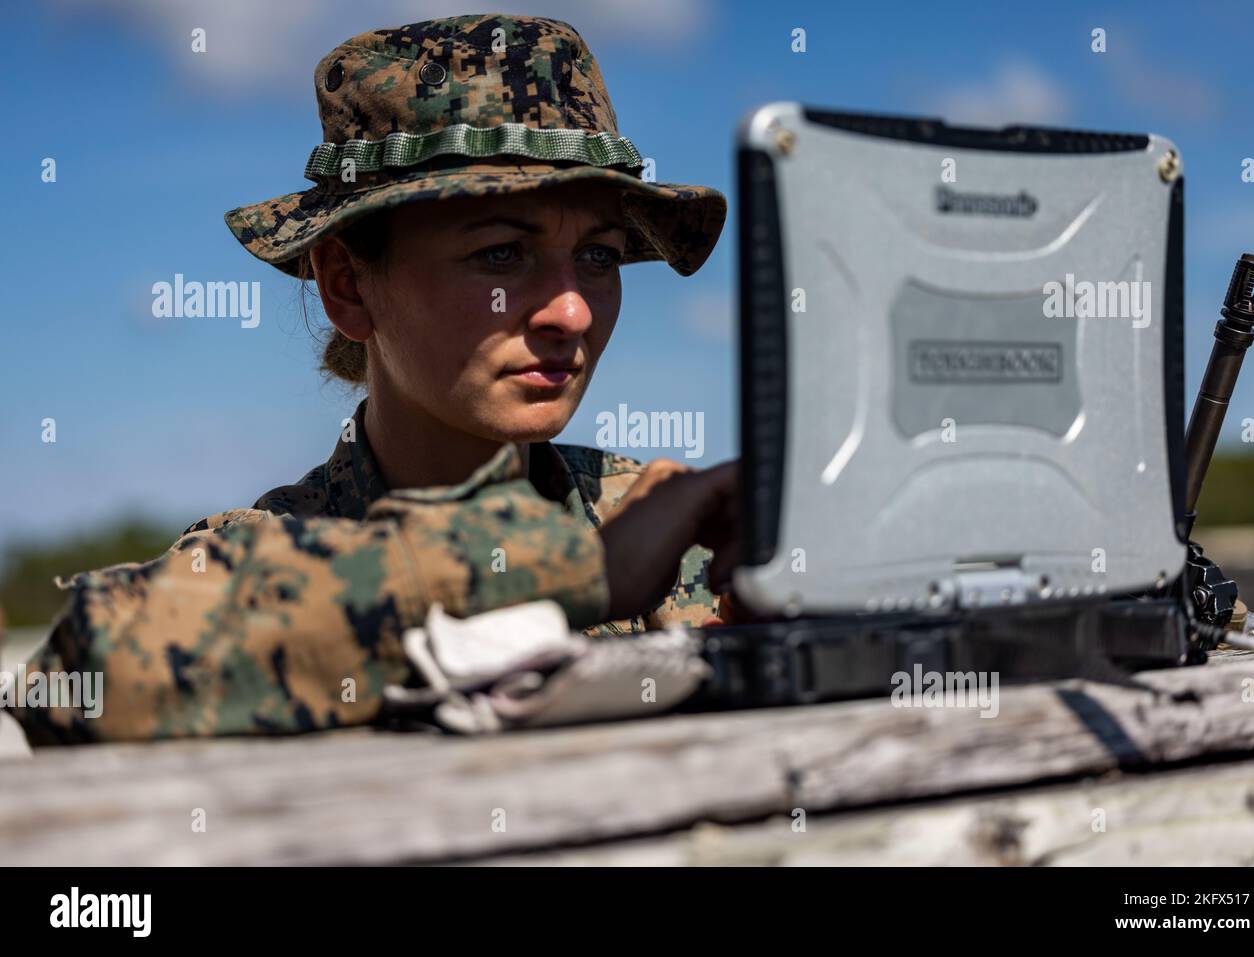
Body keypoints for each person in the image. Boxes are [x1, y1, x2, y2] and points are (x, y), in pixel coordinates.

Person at [14, 14, 738, 745]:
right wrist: (566, 570)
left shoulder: (665, 526)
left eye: (600, 257)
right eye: (499, 255)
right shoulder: (258, 557)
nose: (572, 309)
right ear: (349, 288)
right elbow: (77, 680)